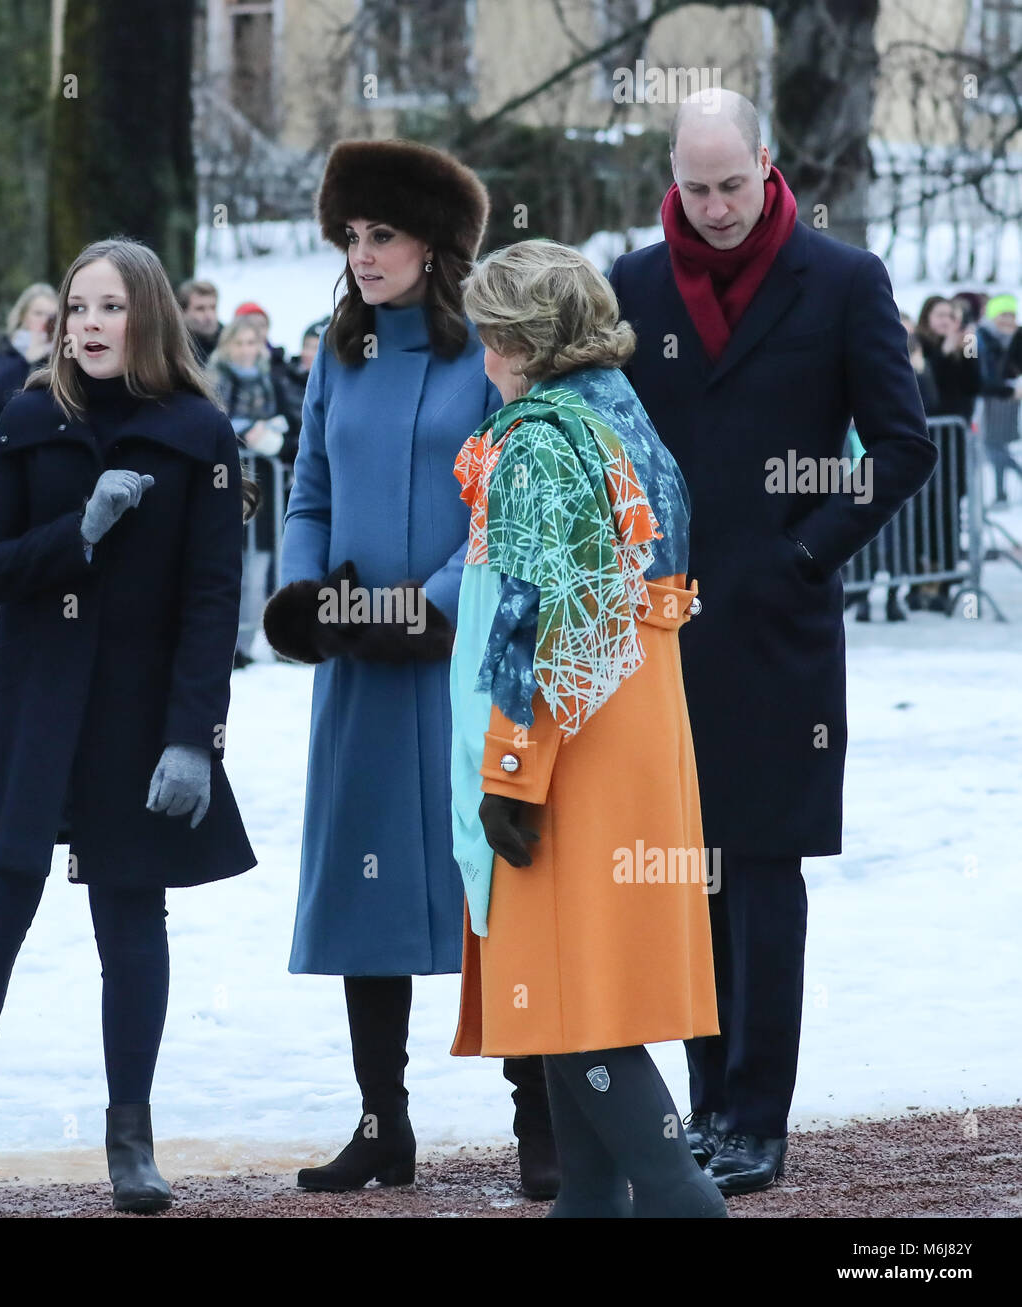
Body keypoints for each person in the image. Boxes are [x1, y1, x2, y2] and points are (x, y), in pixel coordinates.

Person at [608, 89, 937, 1195]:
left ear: (766, 163)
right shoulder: (636, 283)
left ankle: (757, 1113)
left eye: (730, 186)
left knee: (761, 869)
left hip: (779, 627)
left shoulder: (842, 281)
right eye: (692, 189)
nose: (710, 209)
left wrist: (808, 548)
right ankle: (704, 1103)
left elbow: (899, 445)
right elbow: (611, 437)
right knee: (683, 870)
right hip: (660, 627)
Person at [0, 238, 258, 1215]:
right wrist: (82, 532)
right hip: (30, 695)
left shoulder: (198, 432)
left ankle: (130, 1139)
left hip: (141, 709)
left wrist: (193, 733)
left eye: (109, 307)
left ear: (147, 316)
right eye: (76, 307)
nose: (89, 324)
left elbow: (212, 596)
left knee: (132, 914)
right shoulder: (27, 419)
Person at [262, 139, 557, 1200]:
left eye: (380, 233)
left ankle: (540, 1118)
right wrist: (306, 596)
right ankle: (382, 1123)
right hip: (357, 672)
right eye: (351, 235)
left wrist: (422, 606)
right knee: (365, 901)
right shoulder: (334, 357)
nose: (363, 252)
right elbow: (305, 490)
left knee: (496, 891)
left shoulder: (489, 351)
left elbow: (502, 503)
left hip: (462, 666)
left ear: (433, 245)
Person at [450, 239, 725, 1218]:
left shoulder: (533, 439)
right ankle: (592, 1201)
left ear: (523, 340)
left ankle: (679, 1195)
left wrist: (509, 772)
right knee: (572, 999)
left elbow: (539, 614)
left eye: (490, 332)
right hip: (639, 733)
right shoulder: (623, 417)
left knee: (575, 998)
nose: (481, 351)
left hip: (569, 755)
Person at [208, 316, 297, 666]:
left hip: (265, 482)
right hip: (226, 482)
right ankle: (227, 641)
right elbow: (212, 419)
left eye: (252, 343)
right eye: (240, 342)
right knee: (231, 564)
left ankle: (246, 642)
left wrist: (274, 434)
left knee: (261, 563)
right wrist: (247, 431)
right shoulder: (216, 378)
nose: (246, 350)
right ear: (228, 344)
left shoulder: (268, 379)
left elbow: (289, 420)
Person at [913, 295, 979, 611]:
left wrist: (964, 349)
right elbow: (928, 391)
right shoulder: (919, 344)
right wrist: (945, 351)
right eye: (940, 314)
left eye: (951, 315)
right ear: (928, 317)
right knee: (921, 511)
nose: (946, 321)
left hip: (954, 441)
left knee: (949, 509)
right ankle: (919, 580)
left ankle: (946, 580)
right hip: (926, 439)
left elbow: (975, 383)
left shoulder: (968, 345)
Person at [0, 282, 56, 430]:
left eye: (51, 315)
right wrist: (27, 359)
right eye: (38, 313)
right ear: (23, 316)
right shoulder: (9, 346)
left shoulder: (65, 352)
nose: (44, 320)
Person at [977, 293, 1022, 504]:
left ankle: (1001, 492)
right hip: (989, 397)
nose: (1007, 319)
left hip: (1008, 398)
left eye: (1011, 315)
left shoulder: (1017, 337)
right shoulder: (980, 335)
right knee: (993, 446)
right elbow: (975, 367)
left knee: (996, 446)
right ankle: (1001, 491)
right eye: (1002, 314)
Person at [176, 278, 221, 365]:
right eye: (200, 309)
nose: (209, 316)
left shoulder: (230, 341)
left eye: (213, 307)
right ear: (182, 312)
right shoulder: (174, 348)